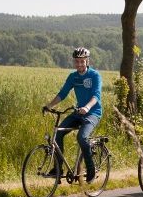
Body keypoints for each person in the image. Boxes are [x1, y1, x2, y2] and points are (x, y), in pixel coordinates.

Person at [43, 47, 103, 182]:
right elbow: (62, 93)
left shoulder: (94, 75)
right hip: (78, 113)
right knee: (58, 133)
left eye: (82, 61)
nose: (79, 64)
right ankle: (58, 169)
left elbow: (96, 95)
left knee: (82, 138)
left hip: (93, 113)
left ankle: (91, 170)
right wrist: (49, 106)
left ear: (87, 61)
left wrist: (87, 107)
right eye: (77, 61)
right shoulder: (73, 77)